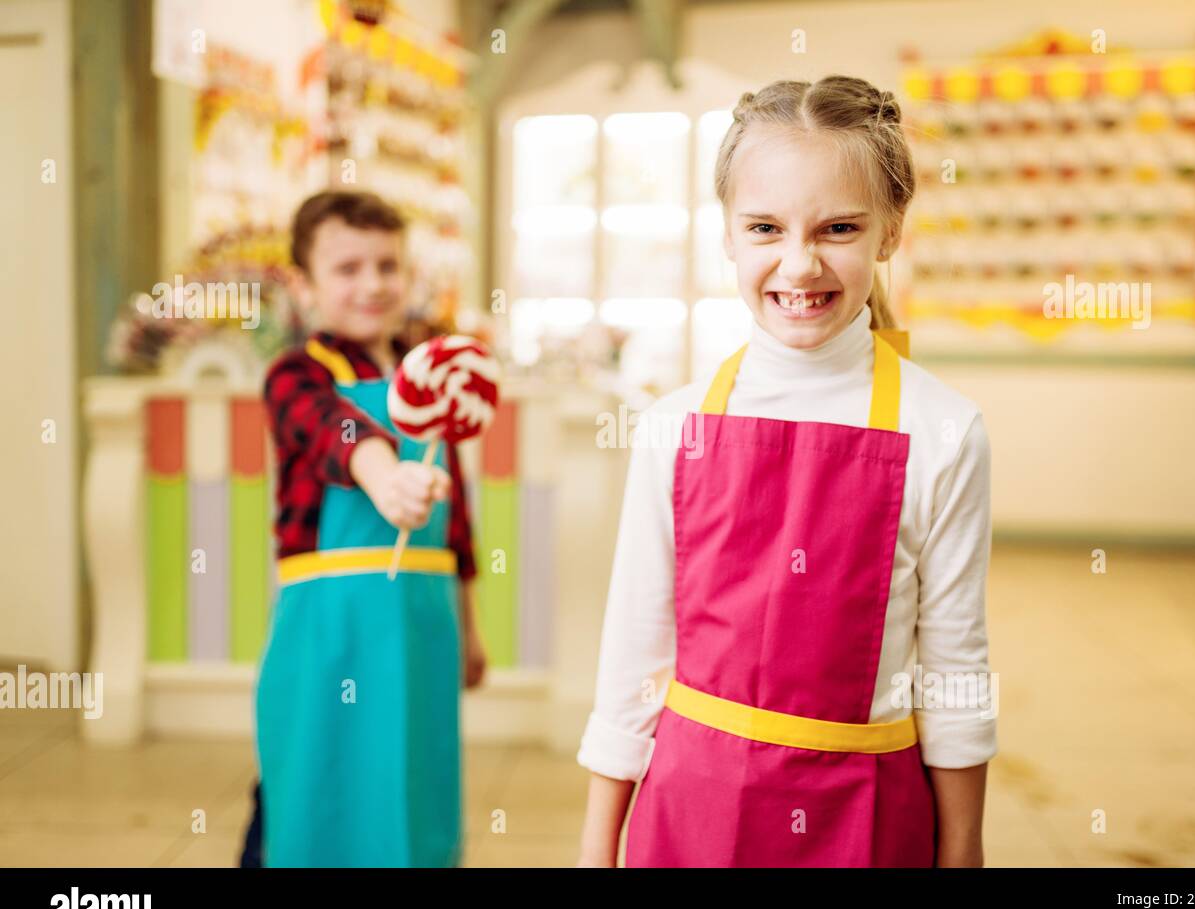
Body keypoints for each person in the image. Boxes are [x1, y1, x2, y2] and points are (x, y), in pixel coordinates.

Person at [576, 76, 996, 867]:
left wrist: (964, 847)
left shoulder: (943, 430)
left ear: (890, 231)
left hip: (865, 814)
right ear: (729, 236)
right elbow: (634, 652)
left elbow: (955, 670)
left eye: (838, 228)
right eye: (765, 227)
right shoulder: (673, 426)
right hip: (691, 811)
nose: (799, 265)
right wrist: (597, 847)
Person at [245, 190, 485, 867]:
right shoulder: (295, 375)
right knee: (318, 780)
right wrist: (385, 477)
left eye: (387, 265)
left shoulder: (432, 377)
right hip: (330, 624)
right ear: (304, 285)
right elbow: (334, 428)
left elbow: (457, 523)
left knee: (412, 783)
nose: (372, 284)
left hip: (423, 620)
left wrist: (469, 627)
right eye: (348, 268)